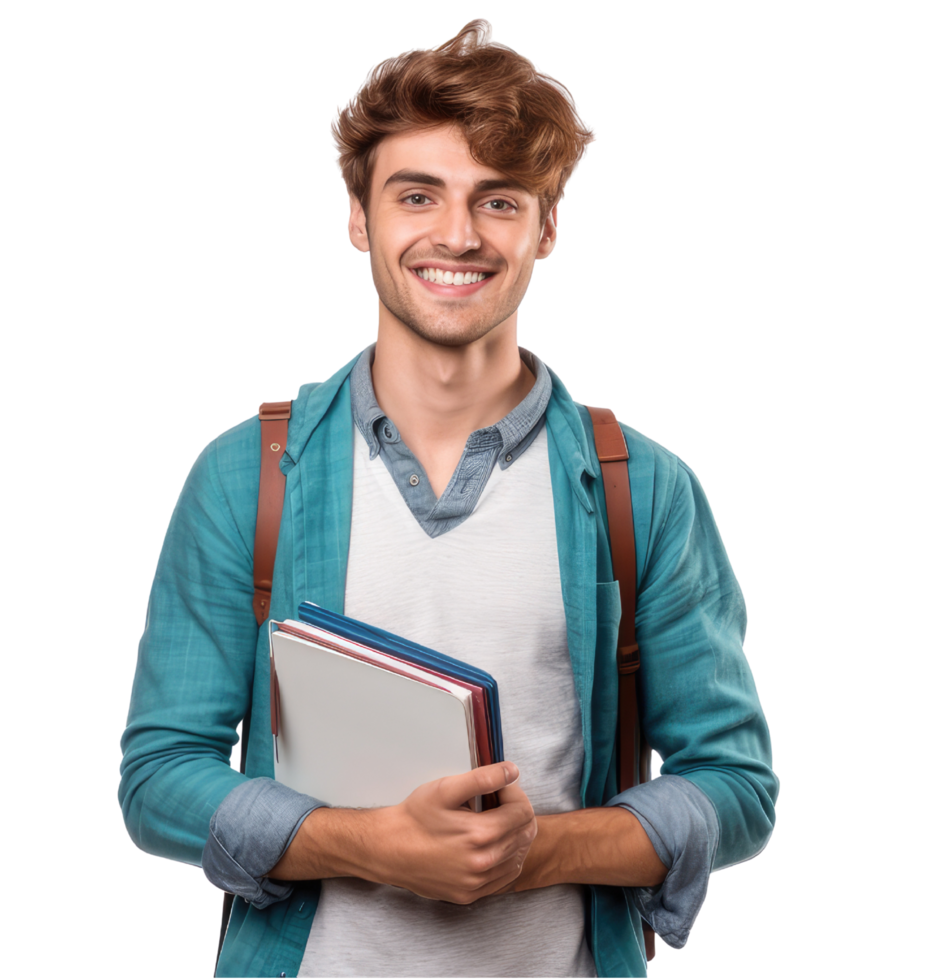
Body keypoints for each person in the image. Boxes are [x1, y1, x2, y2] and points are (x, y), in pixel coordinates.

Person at [118, 19, 777, 980]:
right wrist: (362, 843)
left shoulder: (644, 490)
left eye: (498, 201)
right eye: (416, 194)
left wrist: (537, 850)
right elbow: (159, 778)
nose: (457, 236)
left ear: (546, 227)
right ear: (358, 219)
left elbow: (736, 788)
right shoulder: (244, 475)